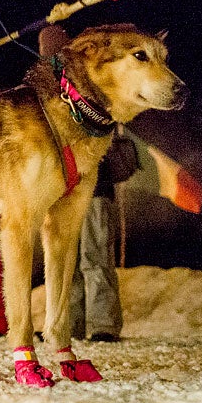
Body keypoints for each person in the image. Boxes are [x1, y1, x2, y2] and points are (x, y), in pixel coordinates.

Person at [70, 129, 137, 342]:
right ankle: (69, 324)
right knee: (66, 264)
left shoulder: (95, 114)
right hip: (65, 195)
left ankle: (103, 325)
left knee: (96, 258)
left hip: (95, 193)